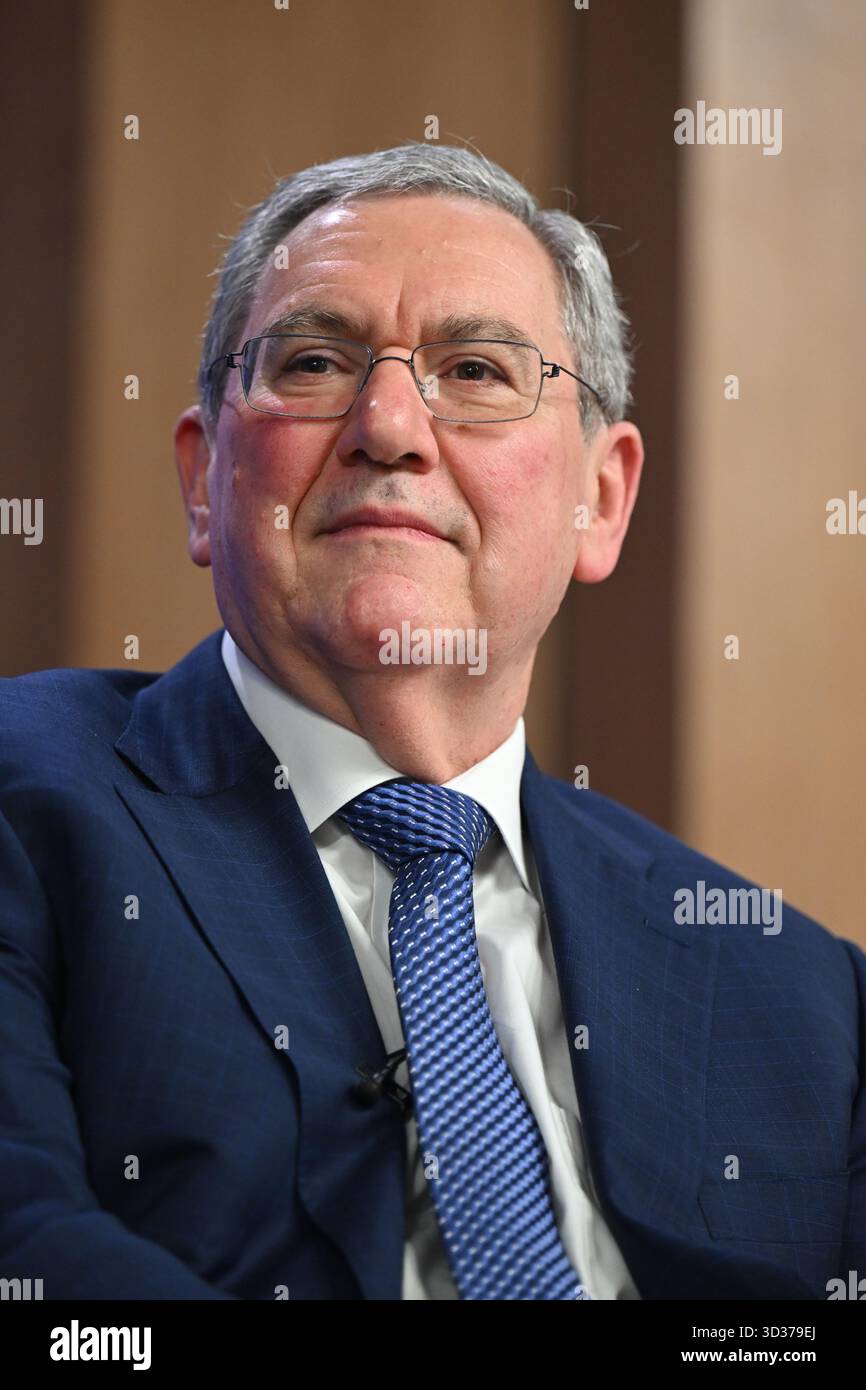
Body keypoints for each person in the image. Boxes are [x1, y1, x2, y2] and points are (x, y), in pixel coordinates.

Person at [1, 143, 863, 1302]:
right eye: (314, 362)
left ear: (596, 499)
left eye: (474, 369)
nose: (391, 424)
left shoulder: (804, 997)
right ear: (204, 483)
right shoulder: (34, 801)